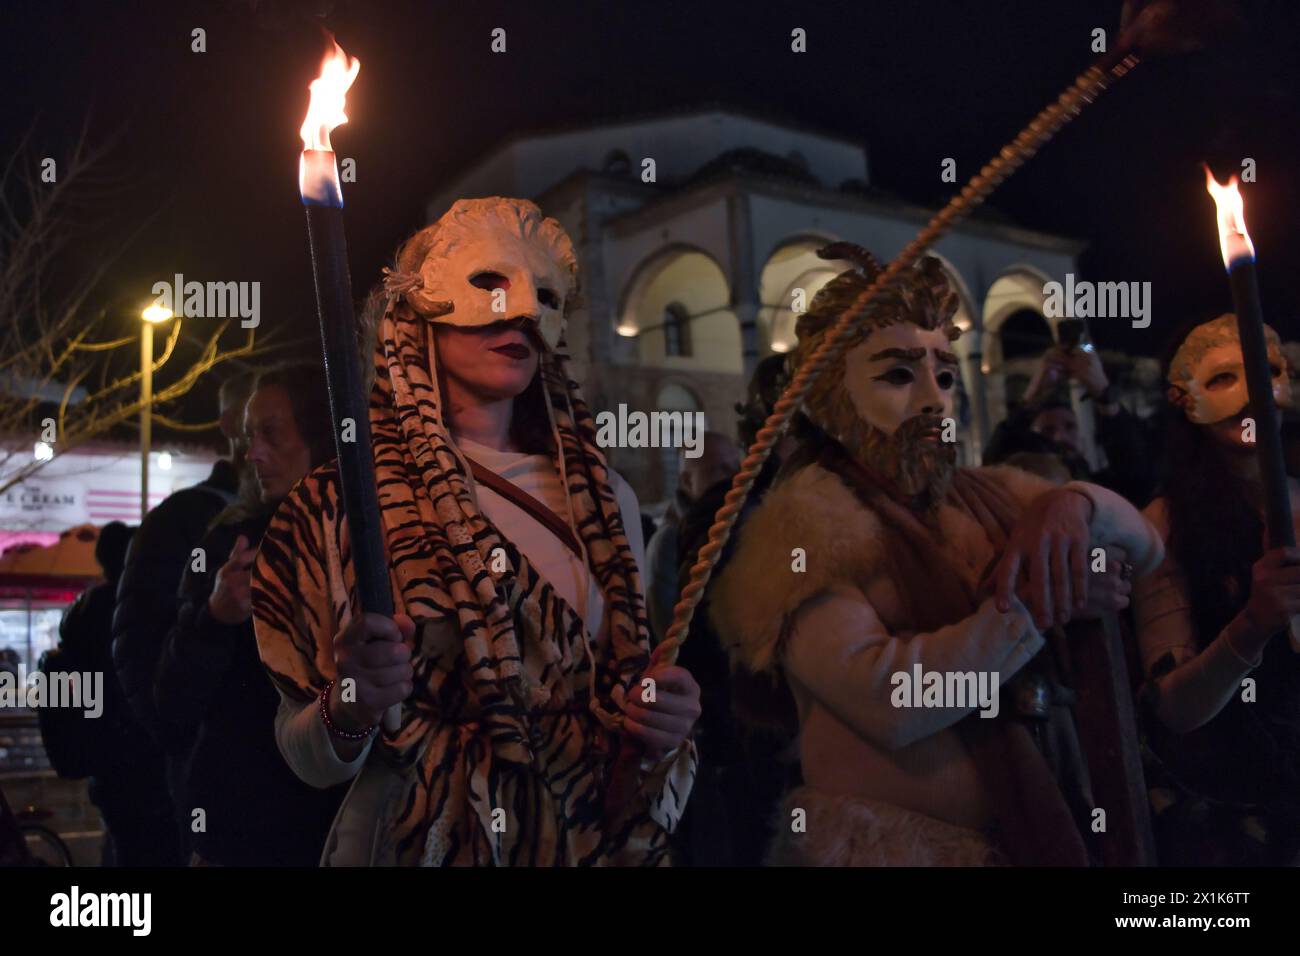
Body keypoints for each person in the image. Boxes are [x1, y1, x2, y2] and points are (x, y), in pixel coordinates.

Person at [251, 198, 698, 866]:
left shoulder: (606, 502)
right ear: (414, 309)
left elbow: (623, 692)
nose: (519, 309)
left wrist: (664, 722)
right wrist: (353, 701)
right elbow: (308, 752)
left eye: (543, 294)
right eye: (488, 283)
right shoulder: (339, 500)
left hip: (586, 840)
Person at [709, 244, 1163, 865]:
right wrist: (1031, 607)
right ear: (830, 396)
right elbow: (891, 701)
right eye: (898, 374)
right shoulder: (802, 528)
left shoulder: (994, 494)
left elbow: (1148, 542)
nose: (934, 399)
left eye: (945, 375)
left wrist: (1075, 505)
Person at [154, 363, 348, 866]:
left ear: (319, 432)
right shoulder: (228, 544)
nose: (253, 453)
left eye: (270, 433)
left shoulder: (368, 537)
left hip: (340, 829)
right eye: (249, 436)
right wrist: (214, 619)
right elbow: (171, 704)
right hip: (241, 833)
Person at [1132, 314, 1300, 865]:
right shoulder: (1166, 524)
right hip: (1231, 819)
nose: (1253, 397)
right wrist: (1251, 626)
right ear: (1184, 398)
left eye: (1266, 371)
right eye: (1225, 378)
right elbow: (1174, 705)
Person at [112, 370, 253, 862]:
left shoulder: (290, 516)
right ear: (233, 424)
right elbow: (138, 642)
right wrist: (180, 742)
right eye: (258, 426)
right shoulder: (189, 519)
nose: (261, 448)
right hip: (203, 775)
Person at [42, 521, 175, 866]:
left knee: (123, 843)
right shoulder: (146, 605)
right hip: (145, 757)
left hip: (104, 760)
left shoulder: (82, 612)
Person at [984, 343, 1154, 505]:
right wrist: (1031, 398)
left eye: (1070, 426)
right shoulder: (1016, 495)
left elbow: (1136, 475)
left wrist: (1104, 395)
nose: (1060, 437)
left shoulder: (1099, 493)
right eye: (1047, 430)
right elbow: (991, 469)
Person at [644, 431, 740, 642]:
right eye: (718, 470)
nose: (732, 478)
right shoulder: (668, 542)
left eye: (735, 467)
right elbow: (668, 630)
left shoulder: (744, 520)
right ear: (687, 480)